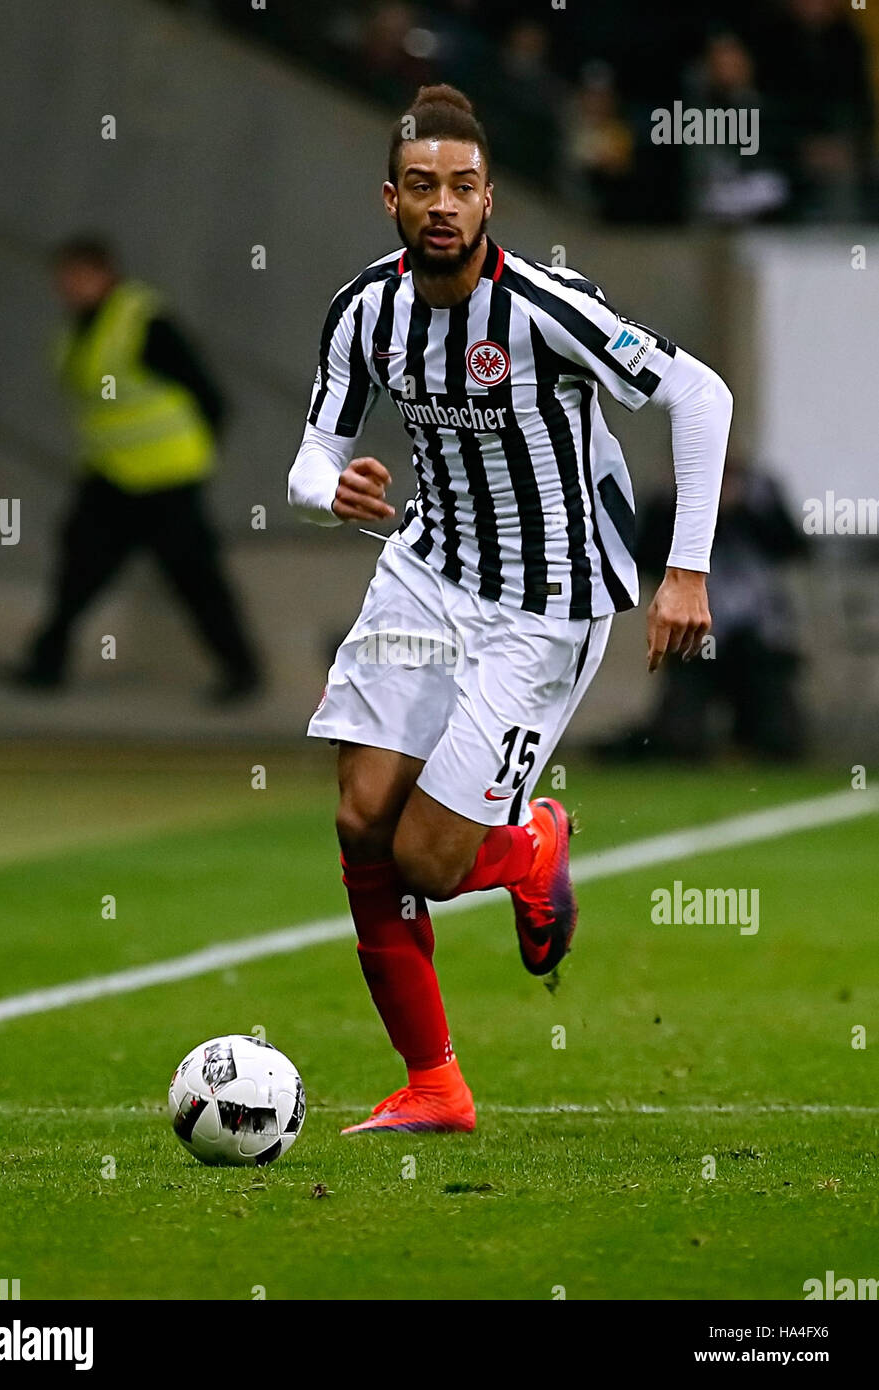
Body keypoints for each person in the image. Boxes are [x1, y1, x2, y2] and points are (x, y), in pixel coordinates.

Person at [287, 84, 733, 1135]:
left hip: (545, 602)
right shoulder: (366, 310)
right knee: (359, 818)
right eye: (421, 187)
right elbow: (313, 451)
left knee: (430, 861)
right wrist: (328, 490)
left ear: (489, 200)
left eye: (463, 186)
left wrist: (688, 569)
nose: (442, 204)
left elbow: (696, 393)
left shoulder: (544, 306)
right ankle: (434, 1083)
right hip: (426, 572)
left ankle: (528, 843)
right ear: (389, 197)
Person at [0, 236, 260, 704]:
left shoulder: (142, 320)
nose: (68, 287)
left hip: (167, 481)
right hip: (112, 477)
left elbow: (209, 395)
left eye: (78, 276)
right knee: (77, 571)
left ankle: (242, 672)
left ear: (104, 273)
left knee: (194, 578)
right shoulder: (79, 327)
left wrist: (195, 456)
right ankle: (46, 664)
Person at [597, 458, 808, 761]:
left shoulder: (760, 491)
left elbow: (791, 545)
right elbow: (644, 554)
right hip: (694, 635)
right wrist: (689, 509)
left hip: (757, 636)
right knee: (678, 738)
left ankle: (745, 743)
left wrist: (743, 508)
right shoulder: (670, 495)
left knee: (779, 738)